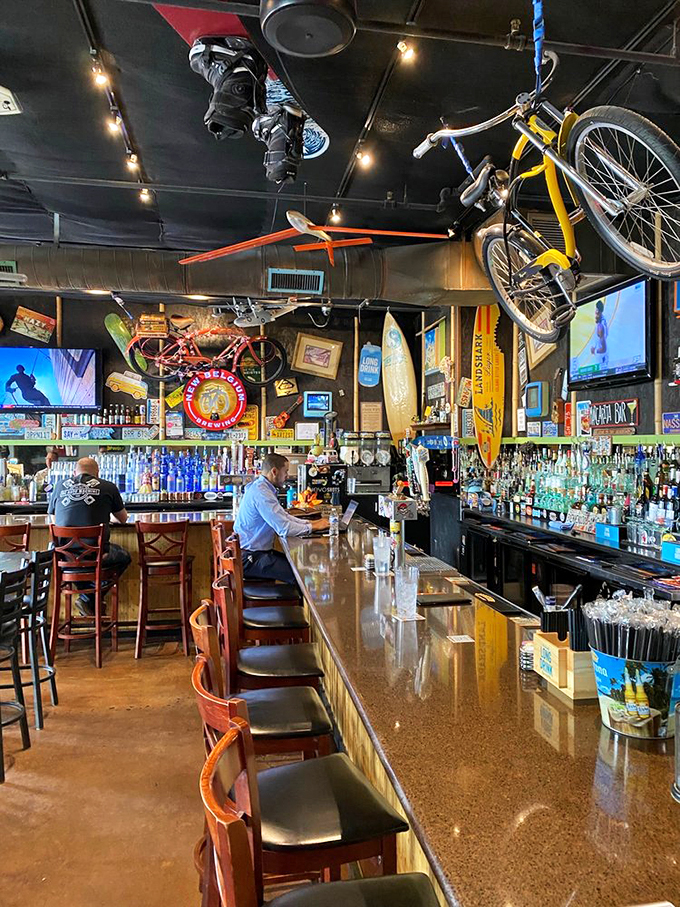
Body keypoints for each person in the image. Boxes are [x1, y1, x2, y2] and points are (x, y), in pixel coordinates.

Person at [48, 457, 132, 616]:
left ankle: (88, 600)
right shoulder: (108, 487)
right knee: (124, 556)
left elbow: (54, 520)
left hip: (65, 557)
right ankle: (88, 599)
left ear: (74, 473)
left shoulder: (59, 486)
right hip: (96, 556)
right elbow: (123, 518)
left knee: (83, 565)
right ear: (97, 474)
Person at [234, 452, 329, 585]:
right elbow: (284, 528)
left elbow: (284, 517)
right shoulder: (261, 493)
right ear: (274, 471)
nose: (287, 476)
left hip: (254, 553)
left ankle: (297, 598)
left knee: (298, 567)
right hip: (250, 558)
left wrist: (311, 523)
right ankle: (295, 599)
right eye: (286, 471)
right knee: (301, 575)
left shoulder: (263, 488)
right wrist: (313, 527)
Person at [590, 299, 608, 370]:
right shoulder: (602, 321)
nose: (595, 312)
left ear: (599, 312)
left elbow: (604, 349)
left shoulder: (600, 327)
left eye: (597, 311)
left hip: (601, 359)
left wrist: (594, 351)